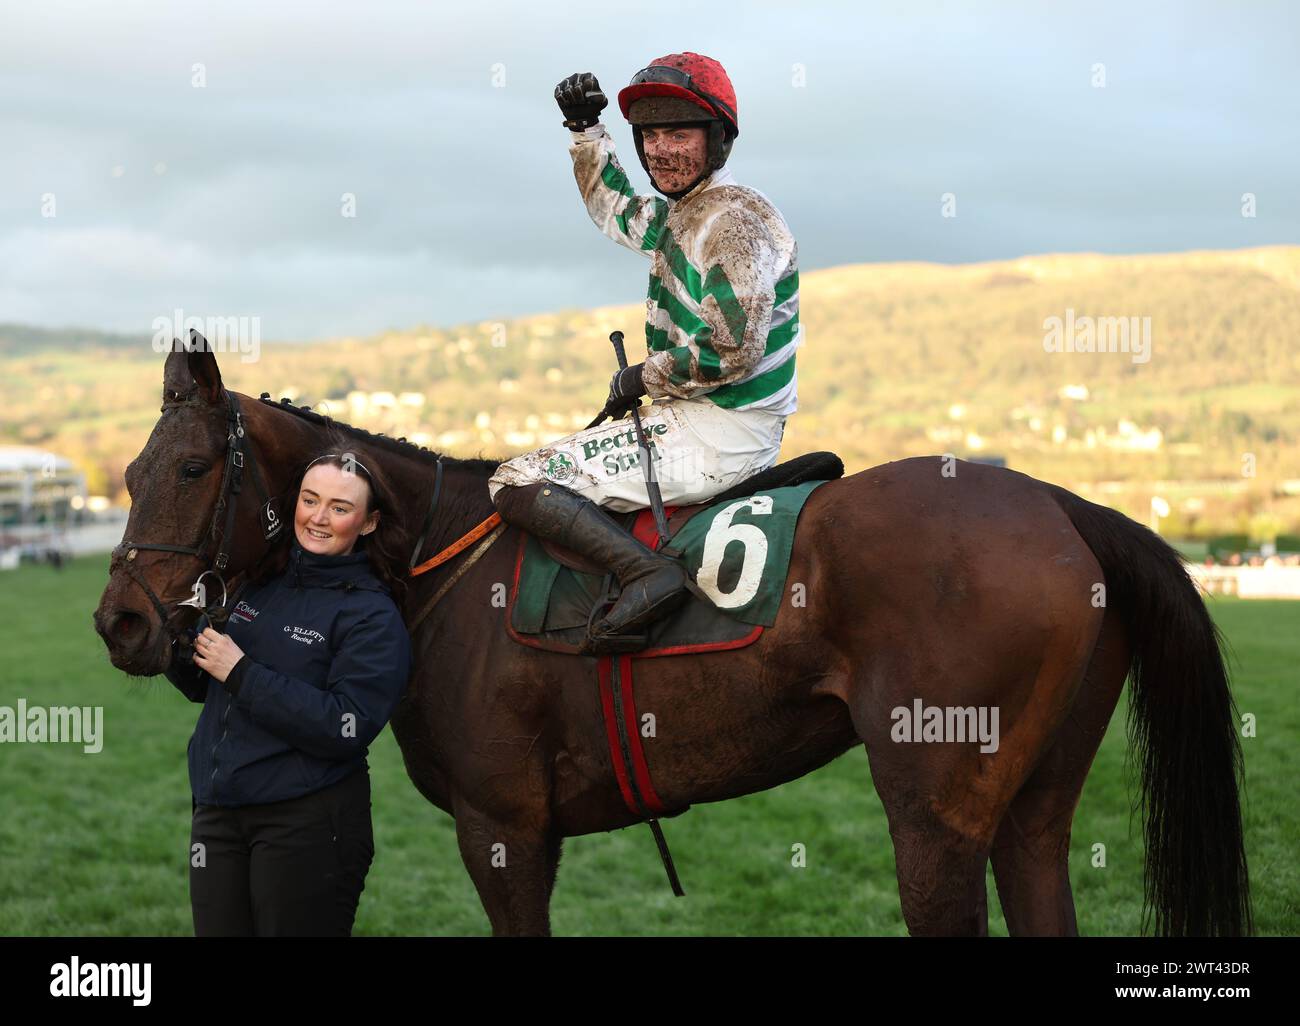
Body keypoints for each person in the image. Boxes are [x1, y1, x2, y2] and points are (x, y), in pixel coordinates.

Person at [488, 52, 803, 654]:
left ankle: (648, 574)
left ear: (718, 140)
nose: (661, 149)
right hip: (695, 416)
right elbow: (614, 210)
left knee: (518, 479)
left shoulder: (735, 221)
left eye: (679, 133)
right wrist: (586, 133)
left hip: (723, 430)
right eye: (650, 135)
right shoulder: (684, 213)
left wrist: (641, 374)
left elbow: (731, 351)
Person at [163, 448, 412, 936]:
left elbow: (346, 725)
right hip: (218, 812)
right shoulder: (258, 585)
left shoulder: (372, 616)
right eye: (309, 500)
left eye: (340, 508)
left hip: (307, 822)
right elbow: (210, 686)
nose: (318, 517)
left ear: (368, 522)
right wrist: (169, 647)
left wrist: (241, 672)